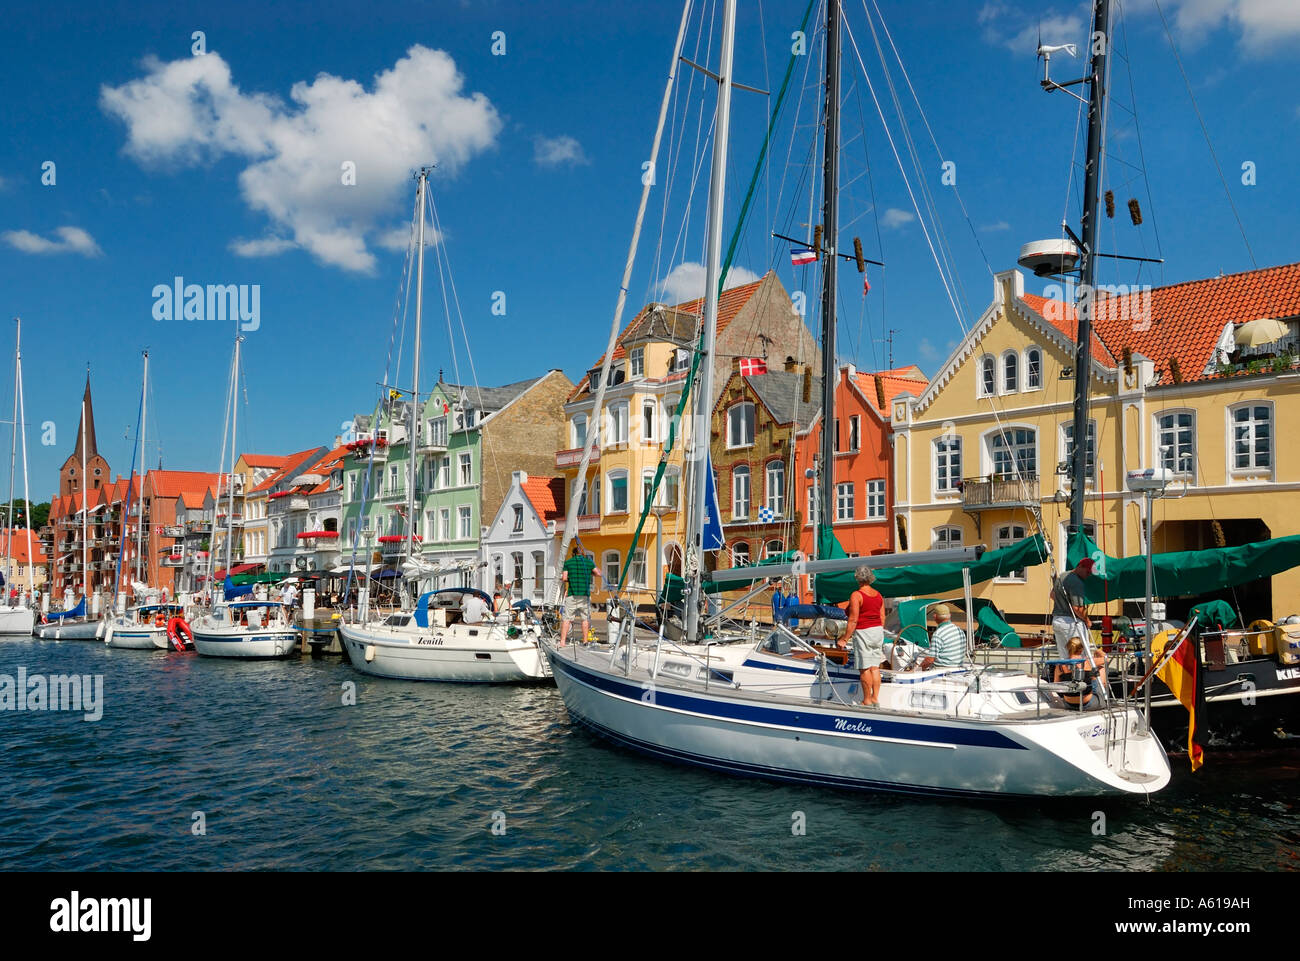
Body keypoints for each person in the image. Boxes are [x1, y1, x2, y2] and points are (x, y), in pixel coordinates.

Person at [837, 566, 885, 706]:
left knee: (865, 668)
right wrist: (878, 630)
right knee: (875, 667)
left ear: (857, 578)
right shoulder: (878, 595)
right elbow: (882, 616)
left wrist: (844, 639)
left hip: (864, 632)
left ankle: (867, 700)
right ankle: (875, 698)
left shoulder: (856, 595)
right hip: (877, 631)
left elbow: (853, 620)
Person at [559, 544, 602, 647]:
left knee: (567, 618)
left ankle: (562, 642)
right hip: (584, 595)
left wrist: (572, 578)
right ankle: (585, 641)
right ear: (583, 553)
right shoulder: (588, 563)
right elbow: (599, 574)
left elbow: (564, 578)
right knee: (585, 618)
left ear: (573, 554)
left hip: (572, 595)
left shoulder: (568, 563)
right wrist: (590, 573)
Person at [1051, 558, 1094, 660]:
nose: (1088, 575)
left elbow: (1052, 595)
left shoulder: (1062, 576)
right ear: (1080, 567)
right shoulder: (1076, 582)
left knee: (1064, 657)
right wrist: (1087, 620)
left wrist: (1063, 603)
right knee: (1080, 656)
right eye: (1088, 572)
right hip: (1071, 622)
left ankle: (1066, 676)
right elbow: (1077, 608)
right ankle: (1079, 676)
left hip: (1057, 620)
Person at [1055, 636, 1107, 710]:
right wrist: (1098, 650)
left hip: (1069, 704)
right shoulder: (1088, 661)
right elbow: (1106, 659)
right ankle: (1103, 697)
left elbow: (1056, 684)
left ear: (1068, 647)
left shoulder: (1060, 665)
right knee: (1101, 668)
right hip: (1088, 703)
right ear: (1082, 648)